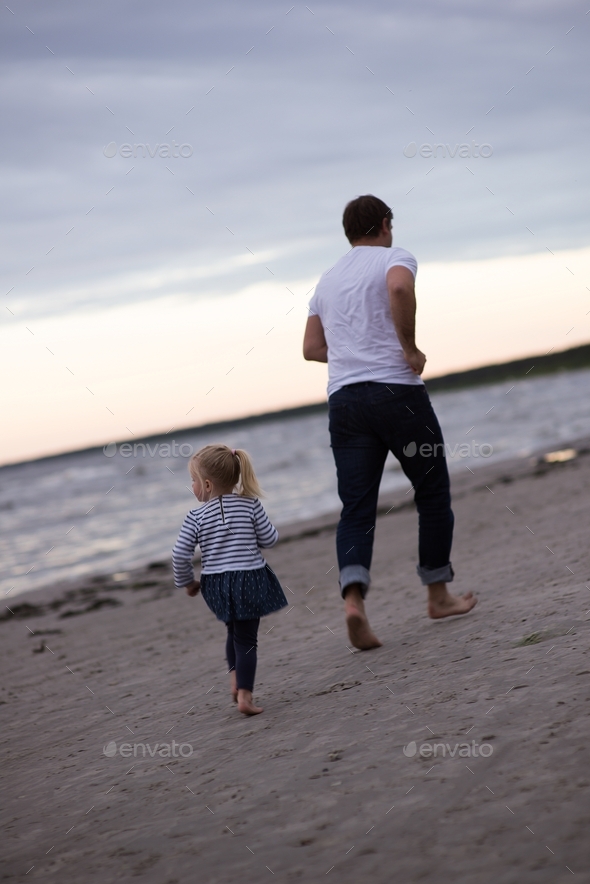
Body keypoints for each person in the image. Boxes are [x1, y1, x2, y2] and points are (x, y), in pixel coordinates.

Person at [303, 194, 477, 651]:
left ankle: (354, 600)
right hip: (396, 396)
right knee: (432, 491)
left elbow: (310, 347)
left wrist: (351, 352)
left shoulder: (326, 281)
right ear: (384, 224)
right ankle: (438, 596)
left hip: (344, 403)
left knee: (356, 509)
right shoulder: (393, 258)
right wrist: (410, 348)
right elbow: (400, 288)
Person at [172, 444, 287, 714]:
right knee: (247, 638)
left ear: (208, 485)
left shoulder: (195, 516)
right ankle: (245, 696)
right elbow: (270, 539)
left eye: (193, 481)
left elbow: (179, 554)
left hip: (215, 585)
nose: (192, 486)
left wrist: (188, 582)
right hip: (249, 579)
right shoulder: (250, 503)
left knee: (232, 630)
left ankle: (235, 680)